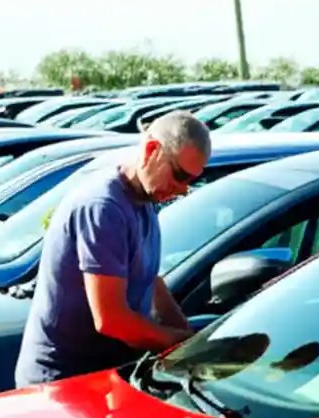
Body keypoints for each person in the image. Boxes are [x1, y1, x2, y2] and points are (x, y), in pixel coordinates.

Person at [15, 111, 210, 388]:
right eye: (179, 175)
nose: (182, 190)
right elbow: (111, 320)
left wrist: (186, 335)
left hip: (100, 377)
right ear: (152, 149)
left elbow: (149, 279)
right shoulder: (104, 207)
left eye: (191, 181)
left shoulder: (143, 199)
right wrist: (175, 343)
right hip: (62, 384)